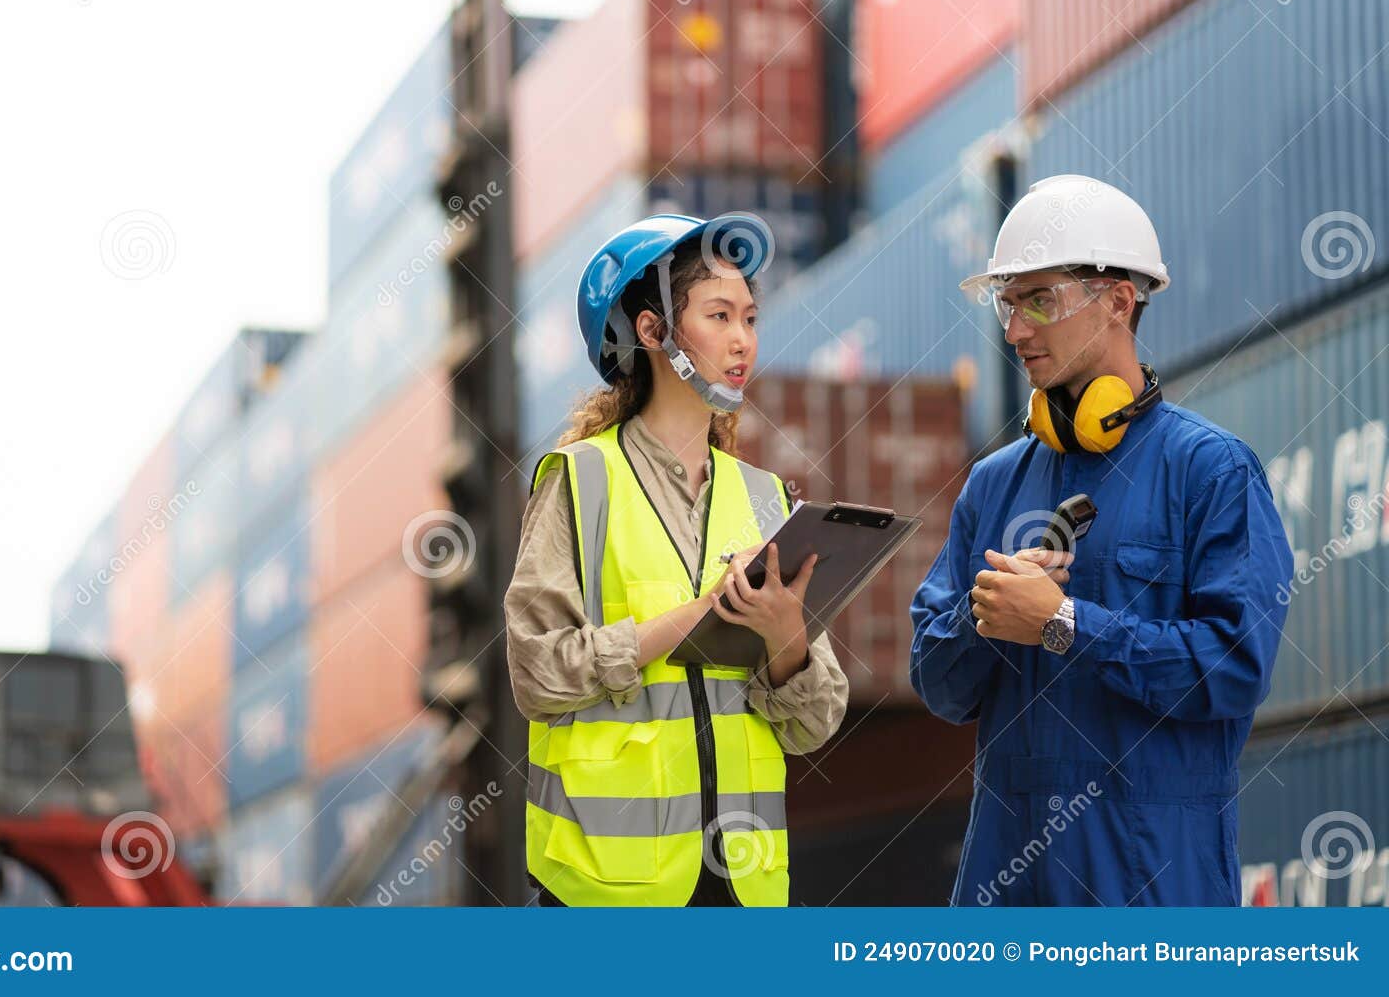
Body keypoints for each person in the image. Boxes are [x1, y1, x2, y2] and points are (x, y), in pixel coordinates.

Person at [910, 174, 1293, 906]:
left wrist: (1062, 623)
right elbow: (938, 682)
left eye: (1040, 300)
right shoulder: (992, 485)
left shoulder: (1211, 471)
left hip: (1152, 896)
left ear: (1119, 300)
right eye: (1007, 302)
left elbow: (1235, 666)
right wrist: (989, 613)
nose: (1015, 328)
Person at [504, 213, 849, 907]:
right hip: (604, 893)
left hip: (741, 888)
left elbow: (814, 724)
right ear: (653, 330)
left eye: (750, 317)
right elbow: (536, 673)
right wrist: (696, 616)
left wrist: (786, 638)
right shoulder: (578, 480)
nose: (742, 339)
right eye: (718, 314)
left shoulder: (764, 498)